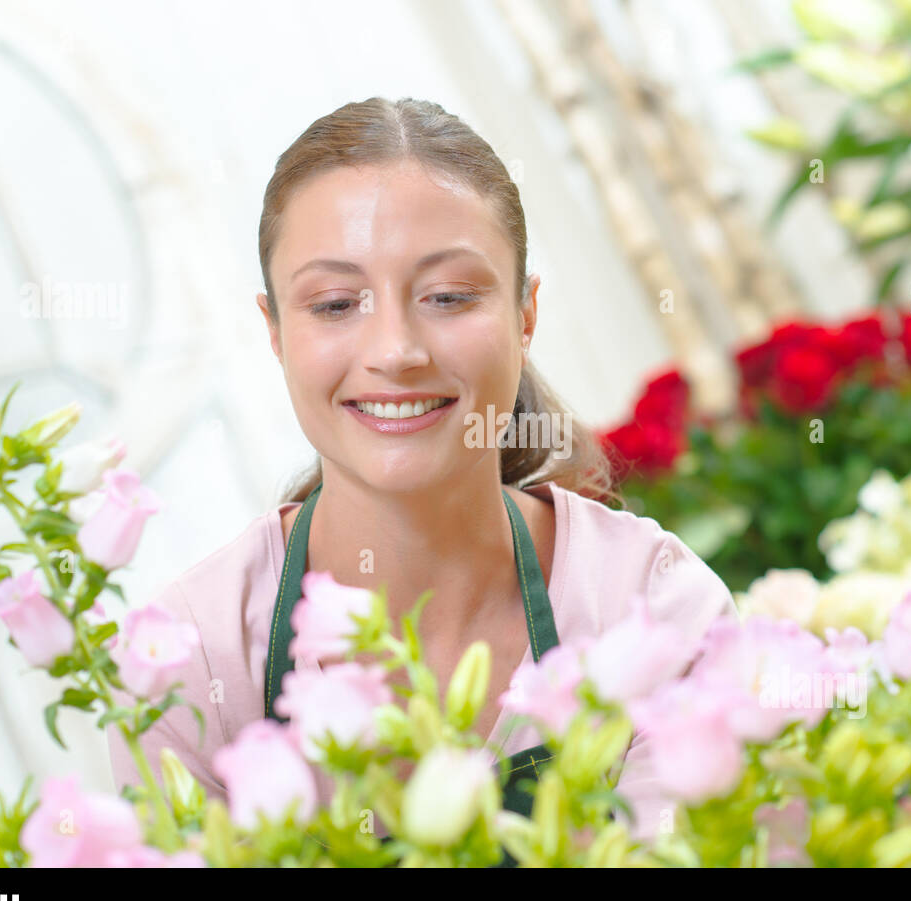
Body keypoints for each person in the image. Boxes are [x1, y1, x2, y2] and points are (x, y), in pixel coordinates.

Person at [106, 96, 737, 848]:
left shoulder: (652, 605)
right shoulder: (191, 656)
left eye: (447, 296)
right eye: (336, 303)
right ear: (275, 331)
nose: (397, 349)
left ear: (525, 313)